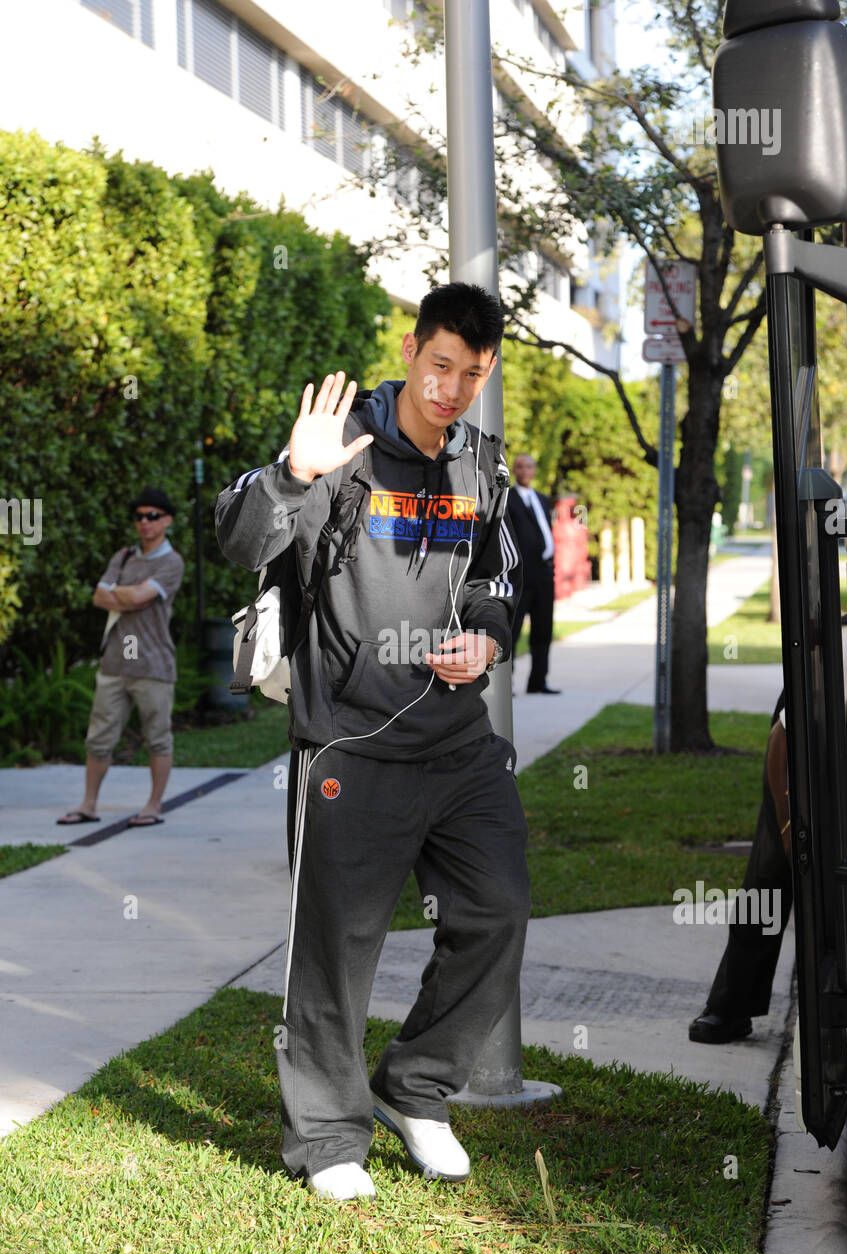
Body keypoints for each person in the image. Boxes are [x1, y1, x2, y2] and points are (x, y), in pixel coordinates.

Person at [215, 283, 529, 1202]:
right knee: (336, 949)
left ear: (488, 370)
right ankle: (325, 1135)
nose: (450, 390)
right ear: (410, 348)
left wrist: (487, 635)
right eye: (438, 367)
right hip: (347, 746)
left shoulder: (479, 464)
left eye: (470, 374)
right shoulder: (341, 450)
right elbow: (239, 542)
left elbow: (496, 580)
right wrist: (291, 474)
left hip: (458, 746)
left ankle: (415, 1086)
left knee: (498, 910)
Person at [690, 612, 847, 1043]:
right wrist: (790, 828)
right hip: (804, 761)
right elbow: (786, 738)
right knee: (770, 877)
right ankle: (731, 1006)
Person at [57, 488, 184, 829]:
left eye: (153, 516)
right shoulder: (124, 556)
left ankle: (154, 806)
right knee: (98, 739)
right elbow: (100, 597)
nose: (145, 522)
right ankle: (88, 804)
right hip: (114, 664)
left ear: (167, 520)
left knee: (157, 737)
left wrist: (121, 594)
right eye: (139, 516)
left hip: (153, 665)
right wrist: (127, 596)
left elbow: (140, 596)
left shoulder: (172, 562)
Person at [506, 453, 560, 694]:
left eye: (529, 466)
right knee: (513, 630)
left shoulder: (542, 499)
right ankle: (507, 683)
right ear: (515, 470)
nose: (525, 470)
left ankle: (538, 681)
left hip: (545, 575)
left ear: (534, 470)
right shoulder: (509, 498)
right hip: (522, 576)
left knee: (543, 630)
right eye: (520, 466)